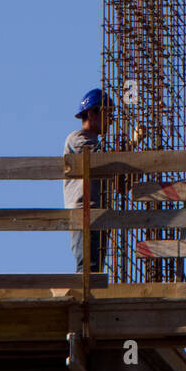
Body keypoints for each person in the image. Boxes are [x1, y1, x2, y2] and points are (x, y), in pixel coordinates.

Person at [64, 88, 114, 273]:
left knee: (96, 266)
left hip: (98, 212)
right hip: (83, 212)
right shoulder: (78, 138)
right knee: (87, 267)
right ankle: (83, 299)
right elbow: (97, 159)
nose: (111, 120)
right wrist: (130, 146)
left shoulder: (100, 143)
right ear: (92, 113)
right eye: (107, 114)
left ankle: (90, 296)